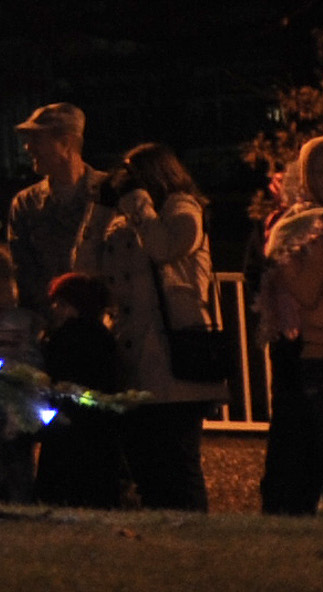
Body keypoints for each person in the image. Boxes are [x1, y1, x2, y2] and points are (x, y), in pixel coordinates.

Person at [78, 140, 225, 511]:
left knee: (178, 462)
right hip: (131, 354)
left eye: (133, 171)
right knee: (144, 462)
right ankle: (163, 542)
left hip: (172, 356)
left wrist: (138, 201)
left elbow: (163, 248)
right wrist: (99, 209)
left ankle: (194, 542)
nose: (125, 179)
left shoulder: (182, 209)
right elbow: (83, 266)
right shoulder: (123, 217)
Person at [255, 135, 323, 520]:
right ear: (306, 175)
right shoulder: (291, 227)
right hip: (311, 352)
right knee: (312, 447)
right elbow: (304, 290)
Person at [3, 103, 111, 318]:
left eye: (37, 139)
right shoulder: (26, 204)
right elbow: (23, 274)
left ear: (65, 142)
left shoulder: (109, 193)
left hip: (107, 326)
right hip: (53, 326)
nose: (28, 147)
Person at [31, 269, 128, 507]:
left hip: (66, 429)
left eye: (60, 303)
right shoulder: (105, 339)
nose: (55, 309)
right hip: (99, 431)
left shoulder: (64, 338)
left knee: (61, 491)